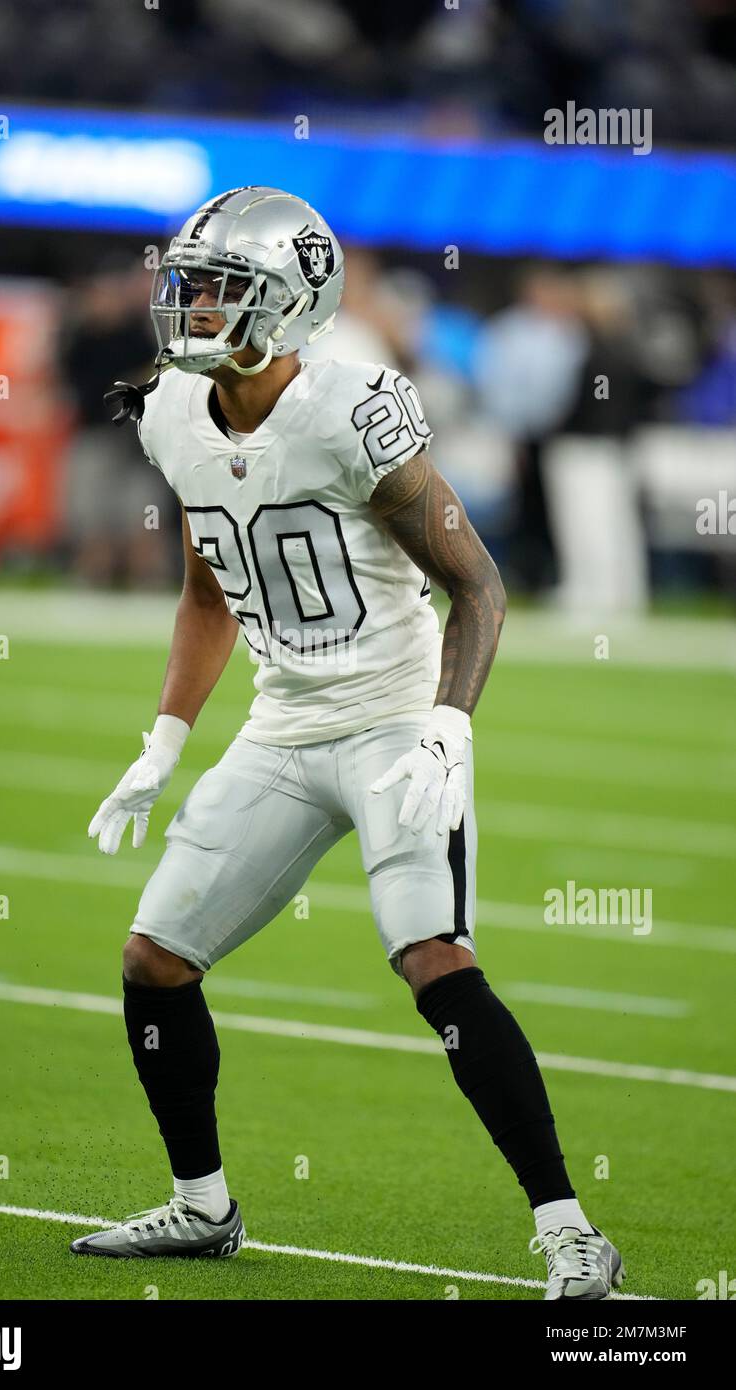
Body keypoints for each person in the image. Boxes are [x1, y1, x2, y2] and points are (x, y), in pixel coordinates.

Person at [73, 187, 623, 1300]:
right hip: (283, 723)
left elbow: (477, 586)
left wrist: (444, 729)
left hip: (388, 719)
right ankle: (203, 1206)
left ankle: (570, 1230)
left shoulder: (349, 407)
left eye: (220, 289)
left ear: (290, 306)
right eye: (185, 283)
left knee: (435, 960)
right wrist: (166, 738)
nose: (189, 307)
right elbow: (205, 590)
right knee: (152, 963)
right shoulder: (173, 410)